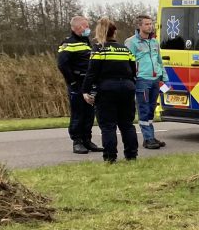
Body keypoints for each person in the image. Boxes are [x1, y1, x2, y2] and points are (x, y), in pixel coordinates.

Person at [82, 17, 139, 163]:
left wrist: (85, 91)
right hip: (127, 88)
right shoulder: (125, 49)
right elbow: (134, 71)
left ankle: (110, 157)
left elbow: (91, 72)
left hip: (107, 89)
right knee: (127, 124)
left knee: (108, 126)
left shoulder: (99, 49)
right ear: (115, 33)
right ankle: (131, 155)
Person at [55, 15, 104, 155]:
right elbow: (62, 65)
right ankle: (77, 141)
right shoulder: (68, 43)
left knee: (89, 113)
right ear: (78, 27)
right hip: (77, 83)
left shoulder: (86, 42)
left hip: (88, 84)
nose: (88, 28)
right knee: (78, 113)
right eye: (86, 26)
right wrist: (73, 82)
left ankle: (87, 140)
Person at [124, 14, 166, 149]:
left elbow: (159, 61)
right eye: (147, 24)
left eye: (151, 24)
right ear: (139, 26)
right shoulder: (131, 42)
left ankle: (151, 136)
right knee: (144, 108)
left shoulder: (154, 42)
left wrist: (164, 77)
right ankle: (148, 138)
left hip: (156, 79)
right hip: (142, 79)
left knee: (152, 109)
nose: (150, 26)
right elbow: (128, 63)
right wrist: (132, 78)